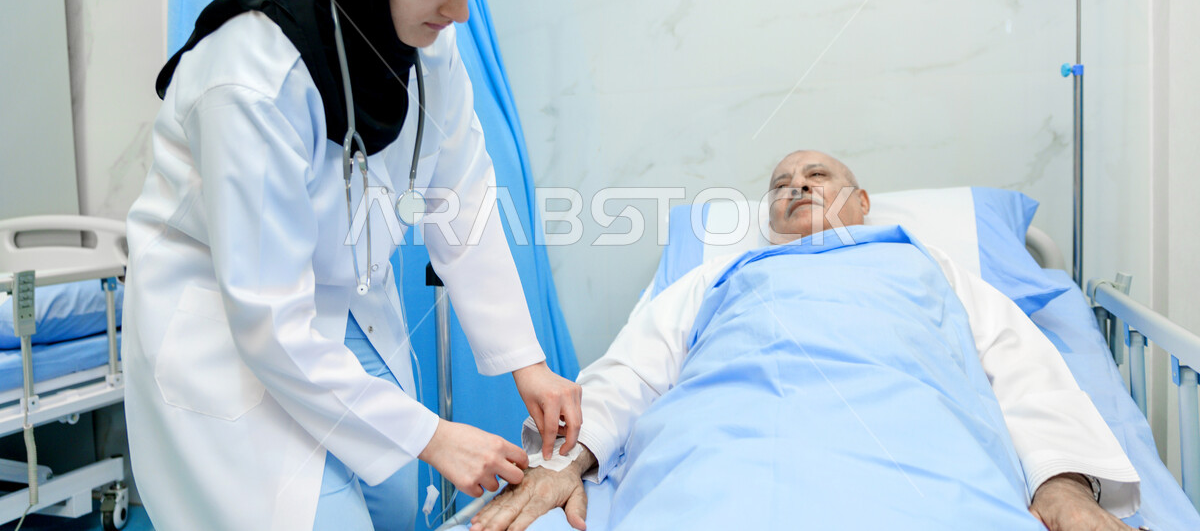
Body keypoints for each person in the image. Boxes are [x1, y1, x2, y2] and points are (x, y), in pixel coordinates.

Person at [122, 0, 581, 529]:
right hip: (229, 336)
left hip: (342, 312)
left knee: (393, 505)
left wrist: (527, 363)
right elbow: (267, 315)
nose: (459, 12)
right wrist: (433, 435)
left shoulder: (427, 51)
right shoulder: (252, 75)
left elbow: (462, 200)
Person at [469, 151, 1141, 531]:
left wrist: (1062, 486)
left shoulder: (928, 262)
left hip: (913, 439)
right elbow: (630, 374)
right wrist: (559, 465)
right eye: (780, 184)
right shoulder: (719, 275)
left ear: (862, 202)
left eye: (815, 176)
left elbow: (1022, 368)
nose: (795, 187)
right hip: (723, 450)